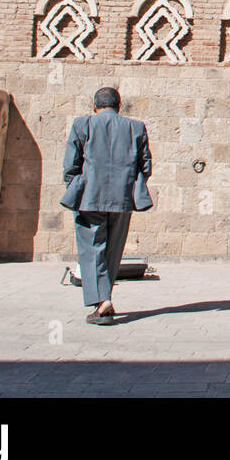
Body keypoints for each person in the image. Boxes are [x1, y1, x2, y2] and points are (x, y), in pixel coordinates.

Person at [60, 86, 153, 325]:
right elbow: (145, 165)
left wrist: (78, 185)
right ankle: (106, 298)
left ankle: (102, 302)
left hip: (90, 197)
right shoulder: (136, 127)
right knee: (113, 250)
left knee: (92, 250)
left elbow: (71, 165)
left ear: (94, 106)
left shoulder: (83, 125)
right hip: (122, 198)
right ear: (119, 106)